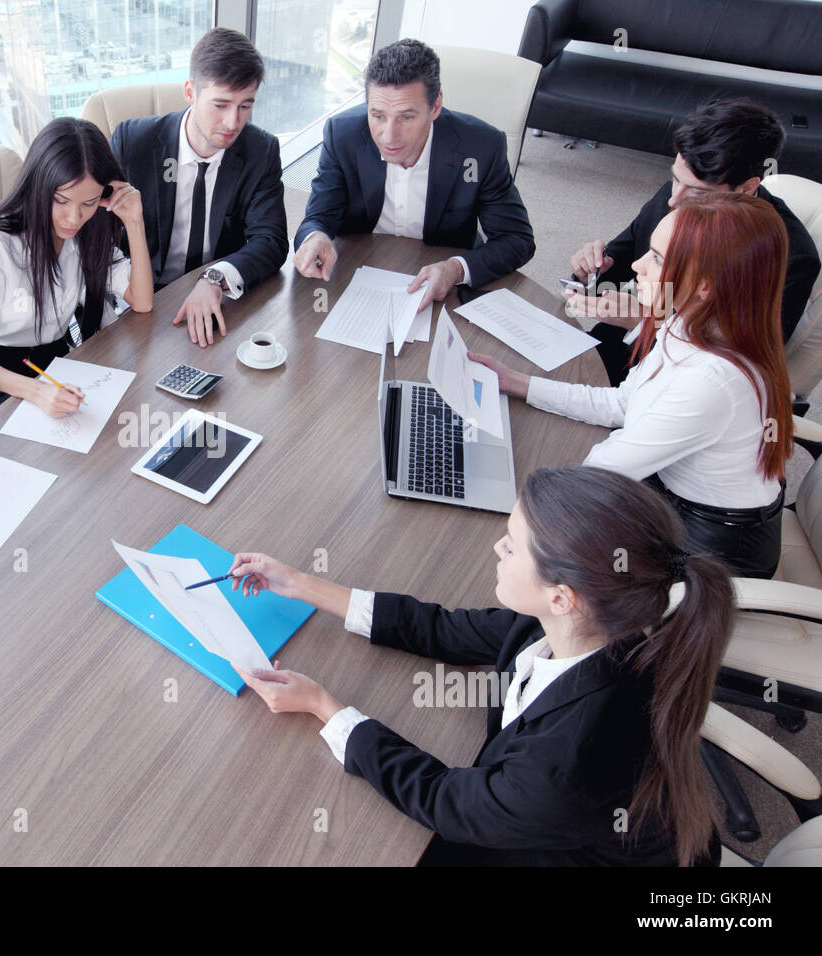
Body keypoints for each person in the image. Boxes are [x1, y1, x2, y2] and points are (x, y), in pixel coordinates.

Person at [229, 466, 729, 866]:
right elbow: (442, 629)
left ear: (561, 596)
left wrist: (325, 707)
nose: (497, 548)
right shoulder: (592, 621)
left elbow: (444, 801)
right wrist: (296, 583)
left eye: (512, 546)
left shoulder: (564, 764)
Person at [473, 192, 792, 578]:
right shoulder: (687, 320)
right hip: (670, 496)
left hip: (715, 553)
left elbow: (603, 469)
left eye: (656, 258)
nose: (638, 265)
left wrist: (514, 514)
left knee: (560, 574)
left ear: (705, 285)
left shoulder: (712, 381)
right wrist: (518, 382)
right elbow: (624, 404)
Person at [567, 97, 820, 386]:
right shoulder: (675, 194)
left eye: (699, 193)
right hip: (613, 348)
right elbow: (619, 268)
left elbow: (739, 365)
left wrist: (645, 322)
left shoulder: (791, 258)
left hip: (679, 385)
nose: (674, 200)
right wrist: (591, 270)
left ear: (747, 188)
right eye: (676, 179)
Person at [293, 38, 534, 307]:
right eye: (378, 115)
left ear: (435, 106)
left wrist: (455, 268)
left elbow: (516, 239)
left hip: (443, 279)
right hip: (356, 272)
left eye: (406, 117)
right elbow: (319, 217)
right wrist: (316, 238)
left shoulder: (482, 147)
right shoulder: (342, 134)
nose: (389, 136)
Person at [0, 118, 153, 424]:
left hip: (50, 363)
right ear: (38, 186)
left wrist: (134, 222)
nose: (74, 217)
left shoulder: (87, 233)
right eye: (61, 200)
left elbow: (142, 300)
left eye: (89, 202)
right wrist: (36, 392)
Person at [109, 27, 287, 347]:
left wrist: (216, 277)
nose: (233, 122)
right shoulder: (132, 143)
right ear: (190, 92)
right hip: (136, 302)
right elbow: (96, 235)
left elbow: (271, 241)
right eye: (220, 105)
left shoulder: (261, 151)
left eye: (245, 105)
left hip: (215, 301)